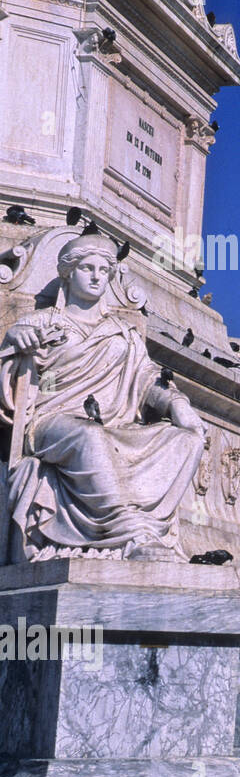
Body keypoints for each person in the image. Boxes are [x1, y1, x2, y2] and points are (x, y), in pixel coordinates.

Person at [1, 230, 205, 562]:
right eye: (87, 268)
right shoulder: (41, 322)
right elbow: (10, 379)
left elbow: (147, 377)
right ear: (68, 273)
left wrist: (178, 404)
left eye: (104, 270)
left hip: (116, 425)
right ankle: (130, 530)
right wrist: (17, 343)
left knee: (185, 440)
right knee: (89, 436)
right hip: (52, 423)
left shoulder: (123, 334)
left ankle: (142, 525)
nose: (97, 277)